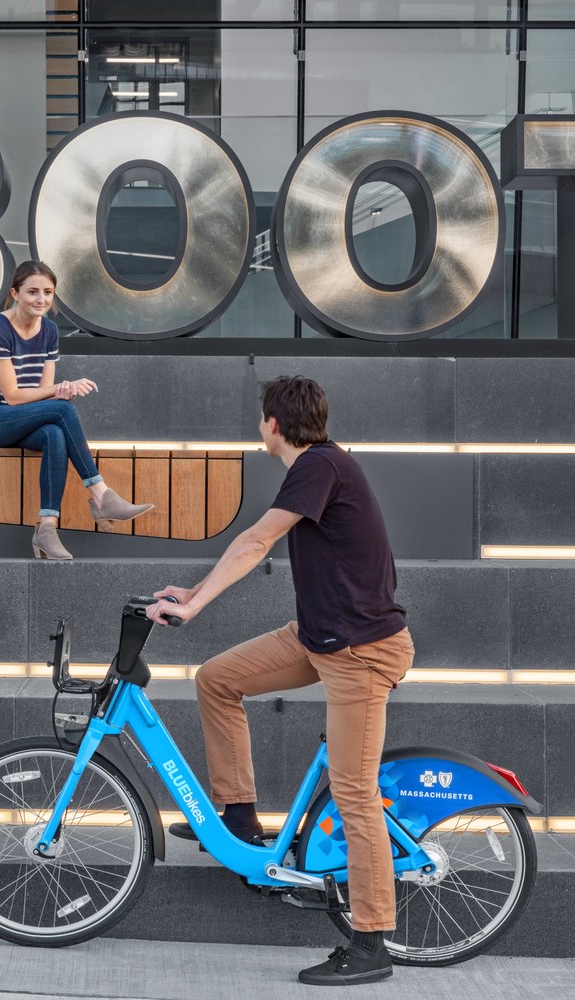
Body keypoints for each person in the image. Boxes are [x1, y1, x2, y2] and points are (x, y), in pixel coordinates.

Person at [147, 375, 414, 987]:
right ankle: (239, 815)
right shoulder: (321, 467)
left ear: (272, 423)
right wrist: (192, 591)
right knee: (216, 679)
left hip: (362, 652)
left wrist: (194, 607)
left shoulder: (321, 465)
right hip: (319, 637)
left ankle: (371, 942)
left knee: (353, 793)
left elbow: (257, 539)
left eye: (260, 417)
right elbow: (255, 545)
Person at [0, 260, 153, 559]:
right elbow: (13, 396)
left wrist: (59, 391)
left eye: (48, 292)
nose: (41, 299)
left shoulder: (48, 330)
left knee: (53, 433)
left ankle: (47, 528)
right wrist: (64, 387)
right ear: (15, 293)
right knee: (62, 410)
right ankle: (101, 495)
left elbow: (44, 397)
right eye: (32, 291)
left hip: (18, 419)